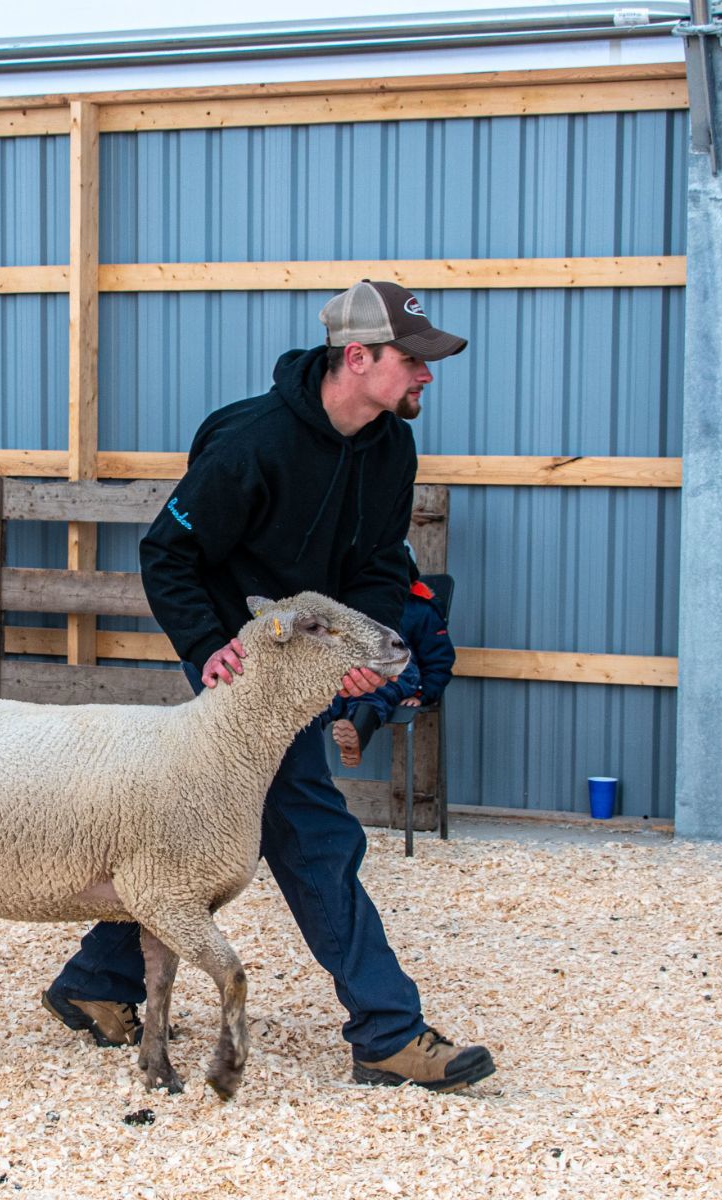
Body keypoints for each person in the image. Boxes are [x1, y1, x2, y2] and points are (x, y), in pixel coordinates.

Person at [40, 280, 496, 1092]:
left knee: (199, 834)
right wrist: (209, 644)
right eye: (413, 361)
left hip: (314, 656)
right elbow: (167, 553)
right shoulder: (252, 442)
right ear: (356, 358)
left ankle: (94, 982)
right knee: (311, 828)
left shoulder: (391, 446)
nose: (427, 376)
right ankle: (387, 1032)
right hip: (241, 661)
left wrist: (365, 644)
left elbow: (381, 563)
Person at [330, 566, 455, 768]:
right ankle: (297, 739)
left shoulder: (419, 608)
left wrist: (422, 694)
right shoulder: (356, 603)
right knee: (325, 696)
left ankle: (355, 735)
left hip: (398, 670)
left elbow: (439, 659)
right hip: (353, 666)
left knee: (375, 692)